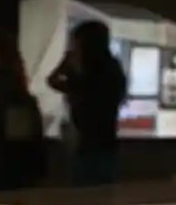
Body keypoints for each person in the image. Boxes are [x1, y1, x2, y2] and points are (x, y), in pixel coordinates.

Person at [48, 21, 127, 186]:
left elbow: (55, 82)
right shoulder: (112, 68)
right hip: (101, 144)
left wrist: (66, 66)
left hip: (91, 145)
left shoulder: (93, 74)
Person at [0, 29, 46, 191]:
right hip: (9, 161)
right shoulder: (9, 83)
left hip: (5, 163)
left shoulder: (3, 83)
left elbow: (16, 135)